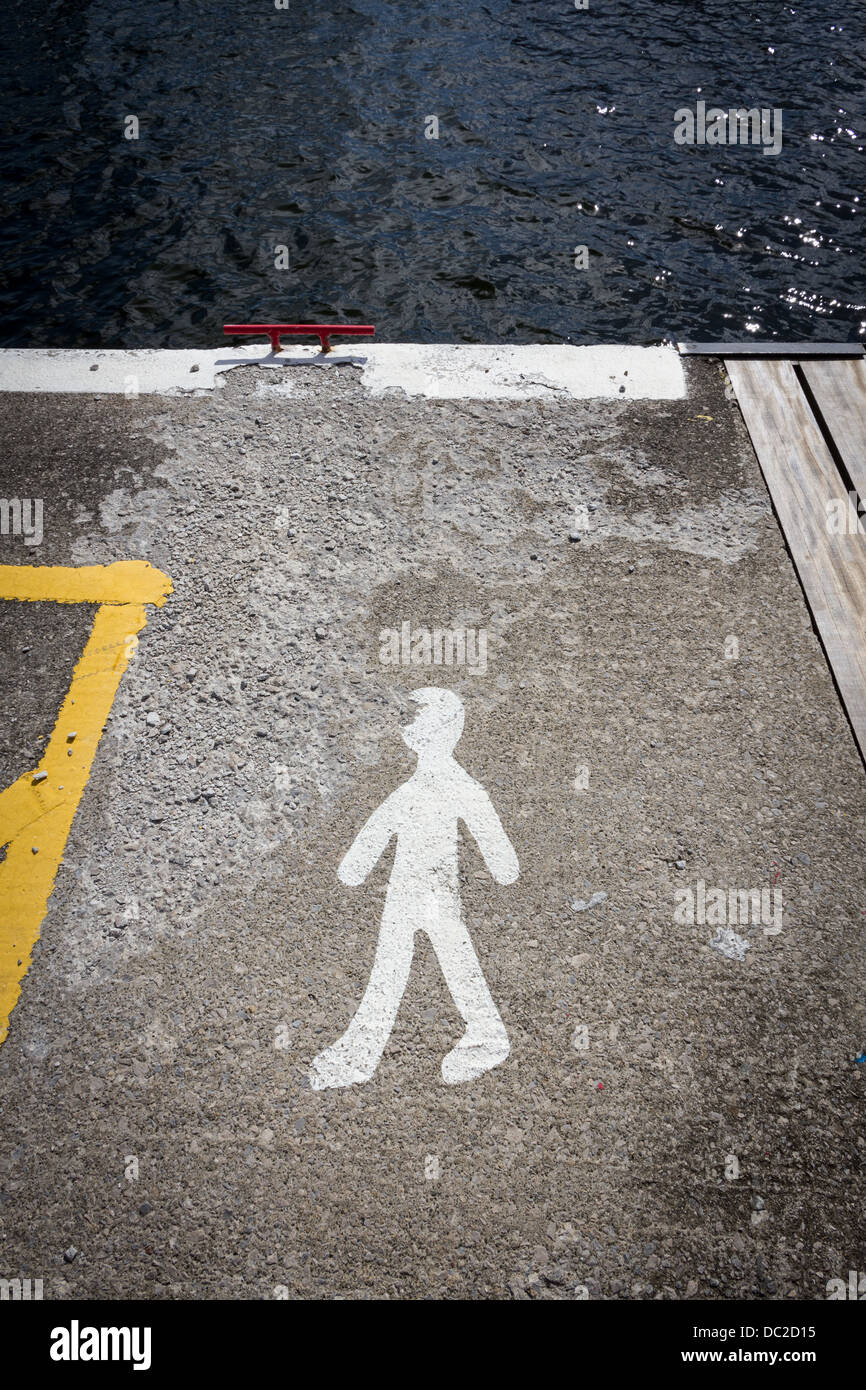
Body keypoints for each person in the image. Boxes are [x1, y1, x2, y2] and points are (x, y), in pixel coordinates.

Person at [309, 687, 519, 1088]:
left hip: (430, 896)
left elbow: (498, 853)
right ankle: (365, 1051)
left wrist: (354, 868)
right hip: (411, 896)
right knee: (401, 967)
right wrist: (355, 866)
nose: (407, 731)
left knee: (436, 963)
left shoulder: (453, 788)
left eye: (415, 723)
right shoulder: (431, 789)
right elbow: (377, 833)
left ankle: (482, 1037)